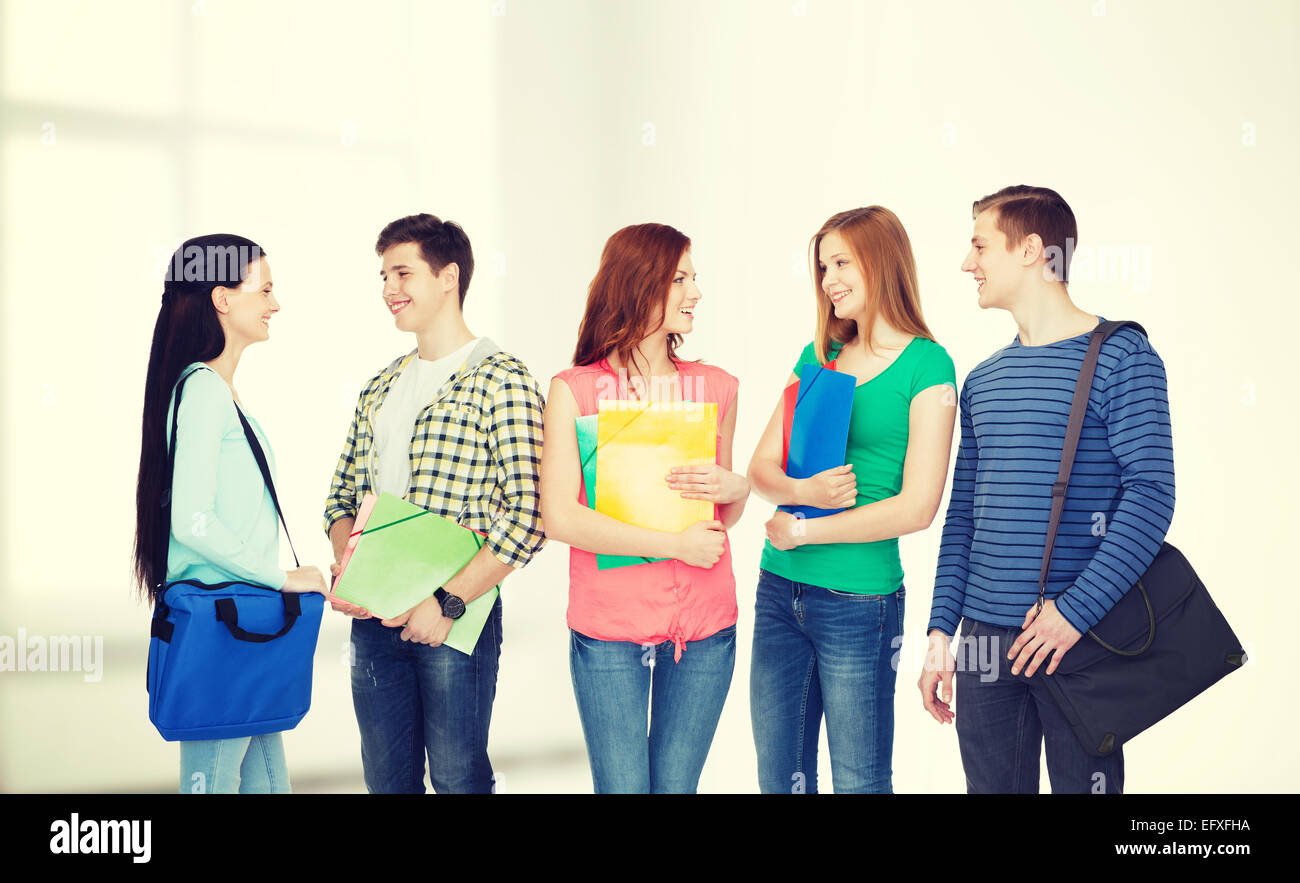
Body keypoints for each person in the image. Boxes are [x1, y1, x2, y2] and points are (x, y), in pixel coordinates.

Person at [918, 185, 1175, 794]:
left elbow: (1150, 495)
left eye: (979, 245)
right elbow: (964, 519)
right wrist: (939, 631)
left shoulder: (1123, 357)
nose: (966, 263)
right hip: (982, 641)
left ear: (1032, 249)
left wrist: (1074, 614)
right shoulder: (981, 382)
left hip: (1077, 639)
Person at [323, 213, 547, 794]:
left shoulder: (503, 380)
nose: (388, 290)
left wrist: (444, 603)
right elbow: (341, 497)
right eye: (383, 276)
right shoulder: (380, 386)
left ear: (448, 277)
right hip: (374, 621)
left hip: (456, 618)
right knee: (386, 782)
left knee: (457, 779)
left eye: (402, 273)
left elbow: (529, 516)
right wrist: (348, 568)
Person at [747, 206, 957, 793]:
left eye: (841, 262)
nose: (828, 280)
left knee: (860, 782)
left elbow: (919, 506)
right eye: (822, 267)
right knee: (779, 778)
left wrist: (808, 529)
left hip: (860, 602)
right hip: (778, 590)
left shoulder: (928, 367)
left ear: (881, 261)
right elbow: (761, 466)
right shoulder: (819, 355)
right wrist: (800, 494)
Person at [539, 223, 749, 793]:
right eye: (680, 279)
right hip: (610, 625)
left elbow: (720, 517)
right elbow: (559, 517)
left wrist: (738, 490)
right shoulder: (574, 391)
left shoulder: (717, 388)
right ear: (639, 284)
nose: (695, 293)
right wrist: (672, 546)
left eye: (694, 278)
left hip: (705, 623)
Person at [133, 233, 328, 794]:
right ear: (222, 298)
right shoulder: (204, 391)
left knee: (268, 786)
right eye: (265, 289)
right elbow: (192, 521)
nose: (275, 304)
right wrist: (281, 576)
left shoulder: (218, 389)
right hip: (224, 626)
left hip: (240, 628)